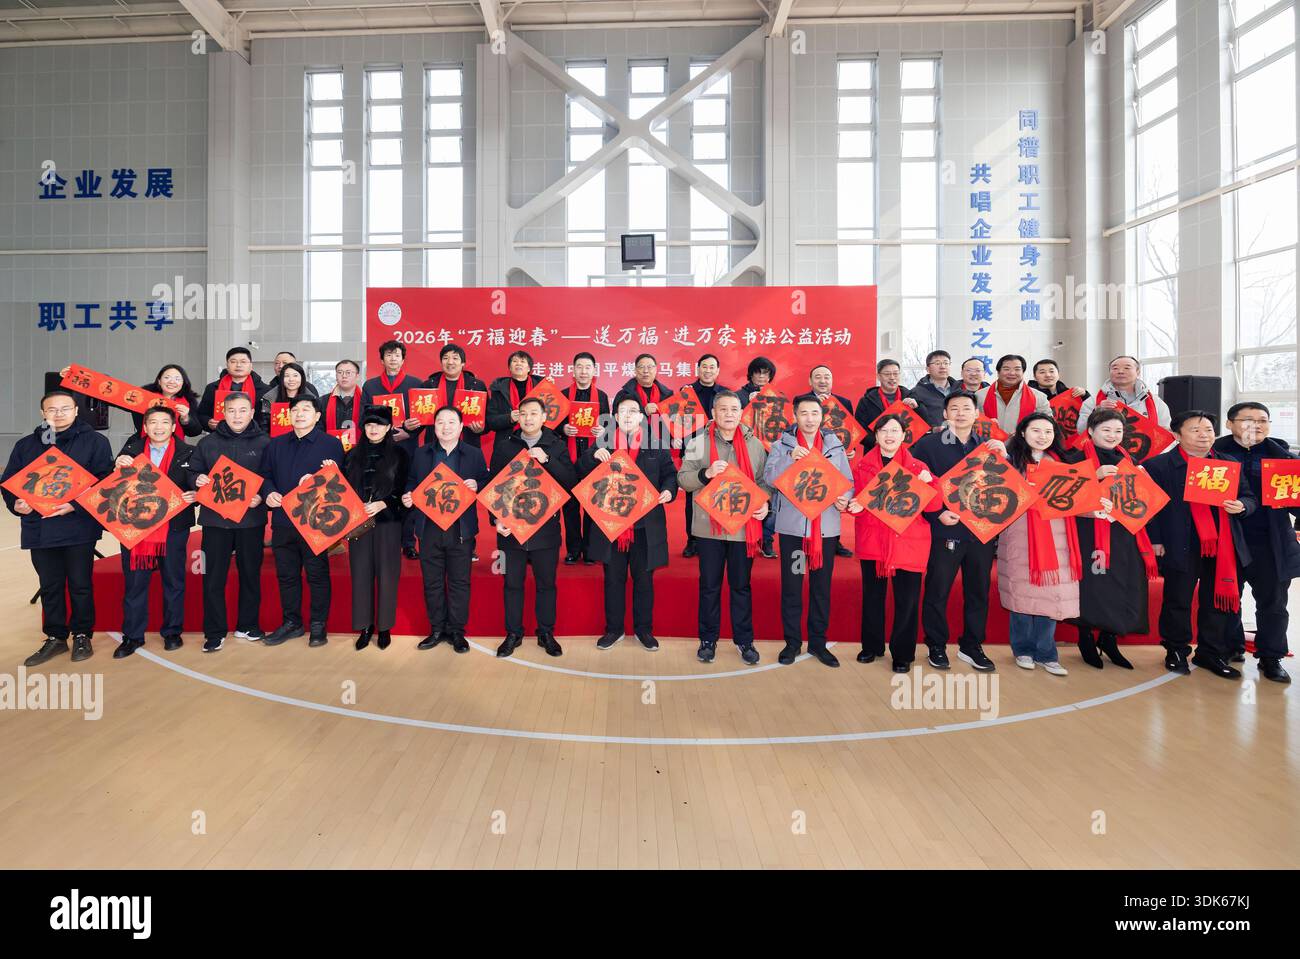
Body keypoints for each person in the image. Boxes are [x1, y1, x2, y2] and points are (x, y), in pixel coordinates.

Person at [2, 390, 114, 666]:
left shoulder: (95, 442)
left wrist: (76, 505)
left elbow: (104, 482)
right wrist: (16, 504)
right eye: (52, 409)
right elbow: (9, 482)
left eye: (65, 408)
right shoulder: (27, 445)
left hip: (78, 526)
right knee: (50, 585)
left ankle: (82, 635)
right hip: (38, 527)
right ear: (43, 413)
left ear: (77, 411)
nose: (59, 413)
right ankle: (55, 637)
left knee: (80, 584)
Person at [1144, 410, 1251, 679]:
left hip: (1222, 544)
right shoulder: (1159, 466)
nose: (1204, 436)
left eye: (1208, 431)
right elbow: (1151, 506)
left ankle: (1210, 652)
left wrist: (1242, 506)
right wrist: (1155, 540)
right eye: (1195, 430)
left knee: (1215, 600)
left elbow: (1248, 496)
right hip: (1179, 542)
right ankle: (1176, 650)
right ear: (1177, 435)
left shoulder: (1229, 463)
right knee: (1177, 599)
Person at [909, 391, 1007, 672]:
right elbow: (915, 483)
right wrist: (936, 512)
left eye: (967, 408)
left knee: (978, 591)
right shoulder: (928, 445)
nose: (961, 413)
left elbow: (1006, 484)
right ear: (945, 414)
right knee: (938, 590)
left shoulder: (988, 447)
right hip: (945, 529)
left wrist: (1005, 454)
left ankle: (971, 645)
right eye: (955, 408)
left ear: (977, 414)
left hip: (981, 531)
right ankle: (936, 645)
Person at [677, 390, 771, 665]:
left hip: (744, 528)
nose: (729, 414)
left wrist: (764, 504)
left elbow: (765, 482)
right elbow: (683, 479)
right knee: (709, 586)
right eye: (723, 410)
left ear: (741, 413)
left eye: (734, 409)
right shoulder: (697, 442)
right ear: (713, 414)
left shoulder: (755, 444)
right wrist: (705, 474)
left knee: (741, 586)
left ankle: (744, 640)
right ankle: (708, 640)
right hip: (709, 528)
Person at [578, 396, 678, 650]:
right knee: (613, 579)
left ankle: (644, 631)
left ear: (642, 417)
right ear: (614, 416)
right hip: (612, 526)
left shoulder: (655, 445)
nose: (628, 415)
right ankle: (614, 630)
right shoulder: (604, 442)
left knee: (644, 581)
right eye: (623, 411)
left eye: (633, 410)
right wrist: (592, 456)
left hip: (645, 527)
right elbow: (579, 469)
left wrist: (668, 490)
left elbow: (670, 475)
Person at [762, 394, 853, 667]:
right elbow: (770, 478)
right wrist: (790, 458)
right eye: (804, 413)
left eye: (815, 413)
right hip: (793, 530)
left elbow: (847, 480)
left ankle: (817, 643)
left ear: (821, 416)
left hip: (824, 530)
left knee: (820, 588)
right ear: (795, 416)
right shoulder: (782, 445)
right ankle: (792, 643)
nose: (810, 419)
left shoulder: (835, 446)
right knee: (792, 587)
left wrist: (845, 497)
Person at [846, 413, 940, 672]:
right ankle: (871, 646)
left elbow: (934, 506)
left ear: (904, 436)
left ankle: (902, 654)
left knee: (907, 601)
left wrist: (929, 484)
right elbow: (854, 502)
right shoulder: (862, 467)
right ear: (875, 436)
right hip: (874, 542)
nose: (889, 435)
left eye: (895, 431)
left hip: (909, 543)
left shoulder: (918, 467)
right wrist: (854, 506)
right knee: (872, 597)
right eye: (884, 430)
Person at [1212, 402, 1297, 684]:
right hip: (1227, 540)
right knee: (1226, 598)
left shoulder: (1285, 458)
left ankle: (1271, 658)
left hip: (1270, 542)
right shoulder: (1212, 455)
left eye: (1262, 420)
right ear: (1230, 424)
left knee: (1273, 603)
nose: (1256, 425)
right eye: (1248, 420)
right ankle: (1229, 647)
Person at [490, 395, 577, 659]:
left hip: (546, 532)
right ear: (518, 417)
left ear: (544, 418)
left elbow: (571, 482)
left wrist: (548, 460)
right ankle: (513, 633)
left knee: (546, 584)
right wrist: (496, 520)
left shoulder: (556, 445)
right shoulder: (505, 445)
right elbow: (492, 486)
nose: (528, 418)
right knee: (511, 583)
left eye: (533, 414)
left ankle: (546, 633)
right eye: (523, 413)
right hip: (510, 531)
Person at [1073, 408, 1156, 670]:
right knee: (1092, 585)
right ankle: (1085, 638)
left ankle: (1109, 639)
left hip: (1122, 531)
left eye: (1118, 431)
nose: (1112, 435)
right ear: (1090, 432)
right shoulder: (1075, 458)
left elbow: (1141, 499)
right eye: (1106, 430)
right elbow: (1065, 495)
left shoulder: (1128, 459)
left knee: (1122, 582)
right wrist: (1092, 476)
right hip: (1088, 531)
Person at [998, 412, 1081, 676]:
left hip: (1057, 538)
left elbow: (1079, 501)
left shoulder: (1064, 465)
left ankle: (1047, 653)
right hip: (1019, 536)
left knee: (1050, 596)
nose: (1042, 436)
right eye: (1036, 431)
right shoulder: (1010, 464)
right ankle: (1022, 649)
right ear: (1022, 433)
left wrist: (1099, 508)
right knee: (1022, 596)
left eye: (1048, 432)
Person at [260, 395, 346, 648]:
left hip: (315, 522)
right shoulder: (275, 445)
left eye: (306, 409)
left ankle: (319, 625)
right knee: (287, 576)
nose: (299, 414)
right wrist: (269, 492)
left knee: (317, 574)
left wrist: (329, 474)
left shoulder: (331, 444)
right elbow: (264, 475)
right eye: (295, 410)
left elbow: (339, 484)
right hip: (283, 520)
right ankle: (292, 623)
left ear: (317, 416)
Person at [111, 406, 197, 658]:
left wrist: (196, 495)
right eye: (153, 423)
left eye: (164, 422)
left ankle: (172, 632)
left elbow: (197, 482)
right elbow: (112, 481)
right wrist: (116, 465)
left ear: (173, 427)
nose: (158, 427)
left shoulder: (188, 452)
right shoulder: (131, 450)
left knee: (174, 581)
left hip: (174, 528)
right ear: (145, 427)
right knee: (135, 583)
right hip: (135, 529)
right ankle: (132, 636)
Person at [187, 390, 270, 652]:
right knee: (213, 577)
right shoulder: (207, 443)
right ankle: (214, 631)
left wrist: (262, 495)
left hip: (251, 521)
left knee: (250, 575)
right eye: (231, 410)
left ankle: (248, 625)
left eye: (242, 410)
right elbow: (193, 472)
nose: (237, 416)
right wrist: (196, 480)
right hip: (215, 521)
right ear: (223, 413)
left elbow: (270, 477)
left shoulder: (265, 443)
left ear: (252, 413)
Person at [404, 405, 489, 653]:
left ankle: (457, 632)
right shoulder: (422, 453)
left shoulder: (473, 454)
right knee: (432, 581)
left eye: (452, 422)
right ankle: (437, 629)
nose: (446, 427)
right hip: (428, 527)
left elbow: (485, 481)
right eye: (440, 422)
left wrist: (477, 483)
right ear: (434, 426)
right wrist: (408, 495)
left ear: (461, 427)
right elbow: (412, 482)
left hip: (460, 528)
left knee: (459, 581)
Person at [344, 405, 409, 651]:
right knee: (360, 574)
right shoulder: (351, 455)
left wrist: (383, 503)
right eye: (369, 425)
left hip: (387, 521)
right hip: (358, 522)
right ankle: (364, 627)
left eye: (379, 425)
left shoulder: (400, 455)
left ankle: (384, 627)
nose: (373, 429)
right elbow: (342, 489)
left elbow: (403, 489)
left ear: (389, 427)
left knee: (387, 574)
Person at [362, 339, 426, 559]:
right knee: (383, 490)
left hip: (407, 447)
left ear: (403, 358)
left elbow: (424, 417)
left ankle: (408, 541)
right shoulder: (370, 386)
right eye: (388, 355)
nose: (392, 359)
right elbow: (366, 417)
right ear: (381, 359)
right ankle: (381, 536)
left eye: (396, 355)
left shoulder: (415, 384)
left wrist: (411, 432)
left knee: (406, 492)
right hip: (380, 447)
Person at [560, 352, 610, 565]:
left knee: (592, 506)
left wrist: (602, 430)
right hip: (568, 460)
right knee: (570, 507)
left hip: (592, 460)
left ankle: (590, 550)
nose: (583, 371)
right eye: (579, 367)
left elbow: (609, 428)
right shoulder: (562, 395)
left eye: (587, 367)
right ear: (573, 371)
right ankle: (573, 549)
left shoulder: (602, 396)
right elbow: (550, 428)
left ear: (594, 371)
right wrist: (563, 429)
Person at [680, 354, 729, 559]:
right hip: (694, 446)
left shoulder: (725, 393)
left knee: (720, 491)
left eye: (712, 367)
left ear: (717, 371)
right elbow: (678, 421)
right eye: (704, 367)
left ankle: (720, 534)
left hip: (719, 446)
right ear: (698, 369)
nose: (708, 370)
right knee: (693, 494)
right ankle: (692, 539)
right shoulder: (686, 392)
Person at [808, 364, 858, 557]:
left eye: (827, 377)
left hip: (834, 458)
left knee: (834, 498)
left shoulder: (843, 401)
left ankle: (833, 541)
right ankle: (808, 541)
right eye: (818, 377)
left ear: (832, 381)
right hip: (810, 458)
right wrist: (816, 405)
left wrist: (849, 450)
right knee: (810, 498)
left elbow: (849, 431)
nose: (822, 381)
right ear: (810, 381)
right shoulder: (802, 401)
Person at [1076, 355, 1171, 432]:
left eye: (1127, 368)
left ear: (1138, 372)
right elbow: (1081, 430)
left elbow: (1167, 432)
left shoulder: (1155, 403)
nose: (1120, 371)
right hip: (1106, 454)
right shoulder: (1093, 402)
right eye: (1115, 368)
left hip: (1147, 453)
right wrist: (1096, 412)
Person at [424, 343, 488, 449]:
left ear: (463, 363)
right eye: (445, 358)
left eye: (455, 358)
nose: (450, 362)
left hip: (467, 443)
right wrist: (410, 428)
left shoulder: (477, 386)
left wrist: (482, 428)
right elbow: (422, 418)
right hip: (434, 444)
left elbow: (487, 417)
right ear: (441, 362)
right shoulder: (429, 385)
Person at [975, 354, 1051, 434]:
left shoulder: (1039, 397)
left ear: (1023, 372)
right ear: (998, 372)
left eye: (1017, 369)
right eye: (1006, 369)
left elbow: (1048, 425)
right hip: (987, 444)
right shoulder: (980, 395)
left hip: (1024, 445)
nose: (1012, 373)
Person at [854, 357, 919, 451]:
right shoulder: (867, 401)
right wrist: (877, 442)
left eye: (895, 374)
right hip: (876, 451)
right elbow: (859, 429)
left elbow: (925, 421)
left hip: (906, 451)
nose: (892, 377)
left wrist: (917, 407)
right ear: (878, 376)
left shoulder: (911, 397)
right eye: (887, 374)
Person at [198, 346, 268, 432]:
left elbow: (267, 421)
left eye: (243, 362)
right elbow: (201, 415)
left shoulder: (265, 391)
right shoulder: (212, 388)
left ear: (251, 366)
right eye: (233, 362)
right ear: (227, 365)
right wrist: (208, 422)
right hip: (220, 436)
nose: (238, 365)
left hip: (252, 439)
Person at [485, 349, 545, 445]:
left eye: (522, 361)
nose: (518, 364)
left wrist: (550, 388)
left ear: (529, 368)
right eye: (515, 361)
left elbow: (551, 416)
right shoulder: (499, 389)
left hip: (537, 441)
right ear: (509, 367)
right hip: (506, 443)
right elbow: (491, 421)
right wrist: (509, 418)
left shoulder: (542, 387)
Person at [130, 364, 202, 439]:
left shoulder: (189, 402)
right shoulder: (145, 397)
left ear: (183, 383)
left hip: (177, 448)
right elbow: (122, 400)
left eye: (177, 379)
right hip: (145, 443)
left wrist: (185, 419)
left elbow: (196, 432)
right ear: (159, 381)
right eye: (167, 377)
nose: (171, 381)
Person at [910, 350, 960, 429]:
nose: (942, 366)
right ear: (928, 369)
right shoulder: (917, 392)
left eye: (946, 363)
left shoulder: (960, 390)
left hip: (959, 437)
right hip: (931, 438)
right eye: (937, 363)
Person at [258, 360, 310, 433]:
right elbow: (264, 426)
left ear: (302, 378)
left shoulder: (311, 400)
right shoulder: (269, 399)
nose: (291, 379)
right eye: (287, 376)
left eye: (295, 375)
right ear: (282, 379)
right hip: (276, 441)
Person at [323, 359, 364, 442]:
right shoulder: (323, 401)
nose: (344, 376)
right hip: (331, 447)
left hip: (359, 449)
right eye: (340, 372)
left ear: (357, 376)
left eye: (348, 372)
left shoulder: (366, 400)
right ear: (336, 376)